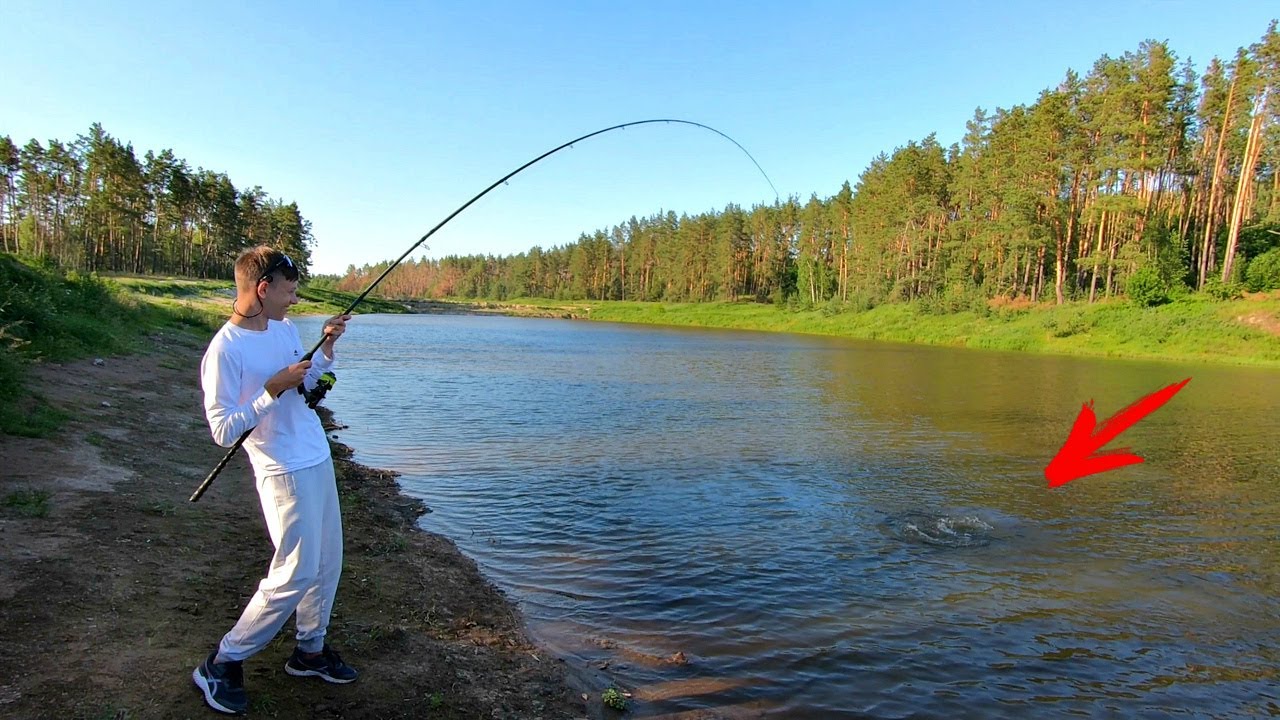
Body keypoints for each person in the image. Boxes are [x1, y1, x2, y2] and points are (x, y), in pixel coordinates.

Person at [192, 246, 355, 715]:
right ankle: (222, 662)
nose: (295, 298)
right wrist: (270, 390)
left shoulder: (284, 329)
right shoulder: (225, 349)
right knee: (295, 572)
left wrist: (325, 346)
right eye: (289, 290)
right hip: (281, 469)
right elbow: (223, 431)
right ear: (262, 289)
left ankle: (310, 651)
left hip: (315, 455)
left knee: (327, 561)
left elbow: (305, 381)